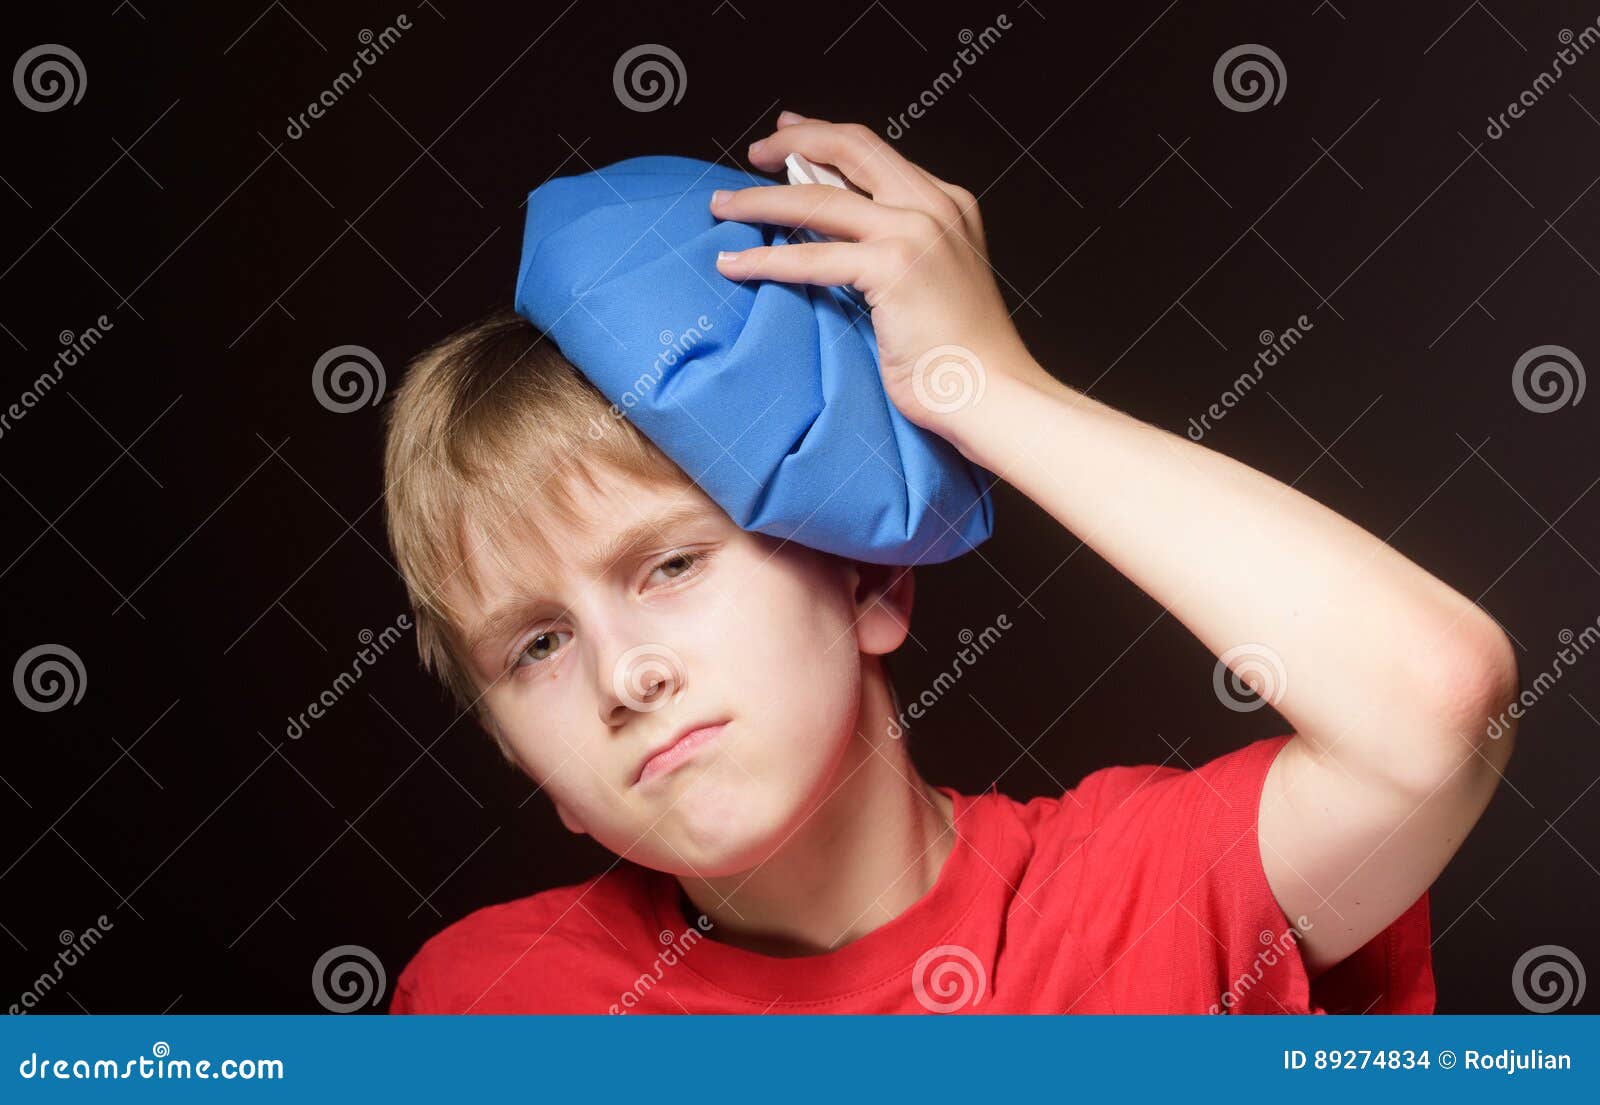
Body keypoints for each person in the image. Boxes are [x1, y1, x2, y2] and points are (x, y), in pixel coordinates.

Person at [382, 112, 1517, 1013]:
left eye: (669, 566)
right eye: (537, 644)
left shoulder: (1148, 897)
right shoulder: (488, 1003)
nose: (624, 677)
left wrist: (990, 387)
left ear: (870, 582)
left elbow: (1432, 706)